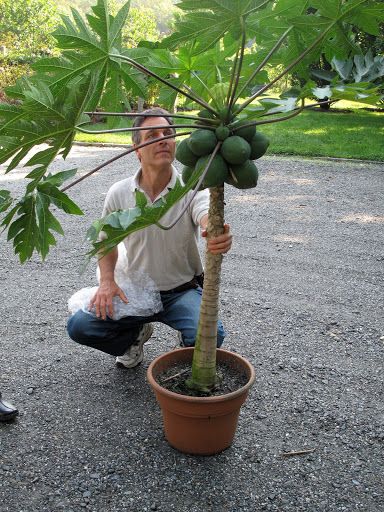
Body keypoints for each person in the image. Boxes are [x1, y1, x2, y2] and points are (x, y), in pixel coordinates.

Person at [67, 107, 232, 368]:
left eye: (168, 133)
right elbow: (106, 241)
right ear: (137, 150)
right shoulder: (119, 192)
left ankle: (183, 346)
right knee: (80, 326)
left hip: (180, 290)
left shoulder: (190, 185)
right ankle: (133, 338)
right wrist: (107, 282)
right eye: (153, 135)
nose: (163, 139)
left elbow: (205, 212)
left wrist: (215, 230)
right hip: (134, 289)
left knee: (211, 337)